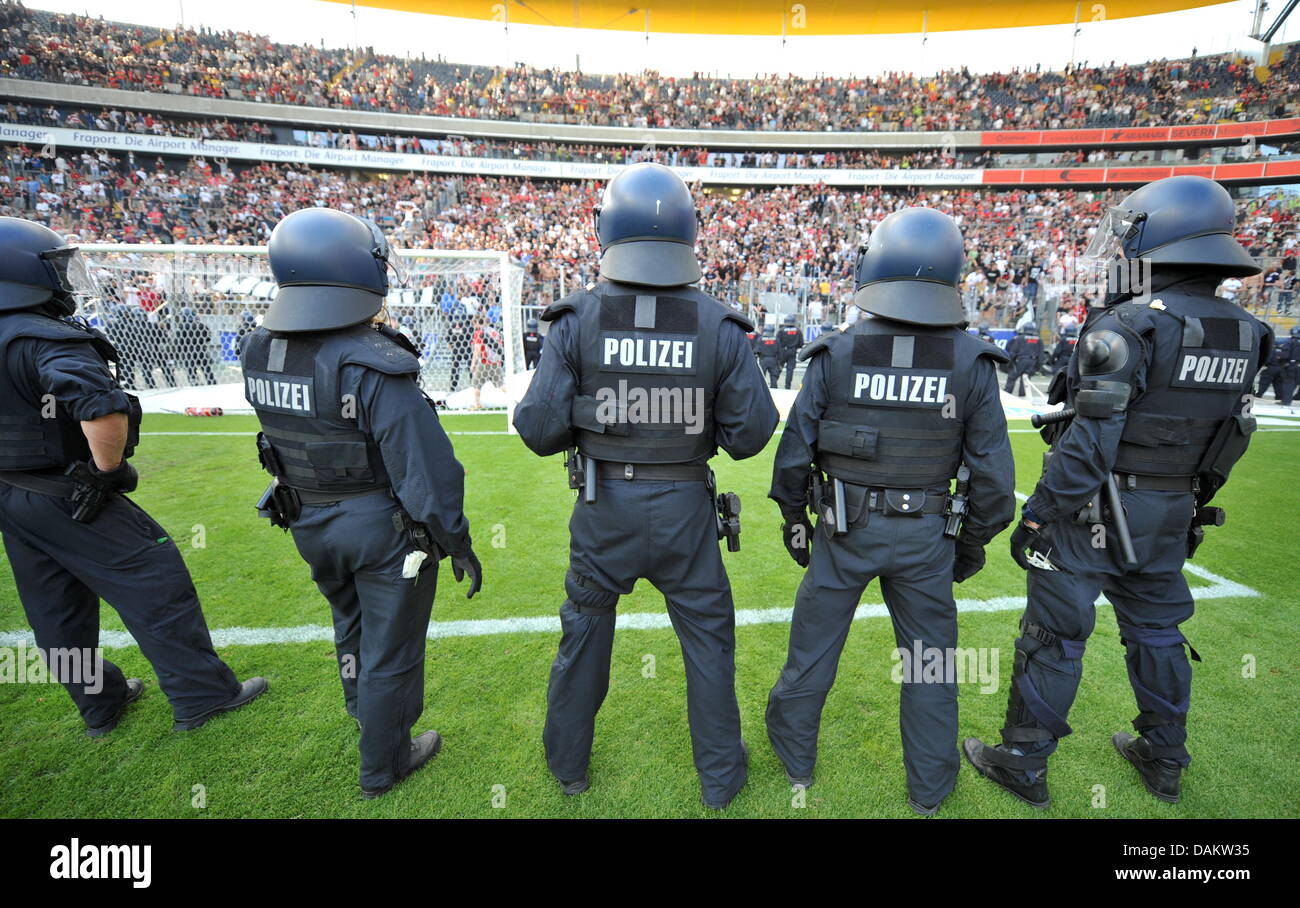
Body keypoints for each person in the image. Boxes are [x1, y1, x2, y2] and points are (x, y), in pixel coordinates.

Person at [964, 176, 1272, 807]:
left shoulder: (1129, 325)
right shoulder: (1250, 332)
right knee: (1157, 630)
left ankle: (1023, 761)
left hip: (1097, 506)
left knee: (1054, 632)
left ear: (1158, 235)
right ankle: (1164, 757)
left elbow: (1089, 444)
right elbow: (1231, 436)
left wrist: (1039, 514)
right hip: (1173, 506)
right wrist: (1189, 499)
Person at [514, 163, 778, 809]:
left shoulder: (575, 319)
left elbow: (537, 428)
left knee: (584, 634)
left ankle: (568, 765)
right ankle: (721, 780)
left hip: (605, 508)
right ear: (689, 233)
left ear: (606, 230)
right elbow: (751, 434)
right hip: (687, 510)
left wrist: (592, 412)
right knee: (709, 645)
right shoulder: (718, 324)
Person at [766, 208, 1015, 816]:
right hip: (927, 534)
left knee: (813, 652)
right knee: (930, 666)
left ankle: (796, 757)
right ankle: (929, 789)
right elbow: (995, 483)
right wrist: (969, 540)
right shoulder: (971, 362)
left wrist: (795, 518)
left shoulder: (835, 352)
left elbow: (794, 454)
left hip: (844, 528)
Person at [240, 207, 482, 799]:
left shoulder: (259, 349)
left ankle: (364, 714)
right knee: (392, 650)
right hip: (378, 527)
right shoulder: (372, 362)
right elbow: (427, 473)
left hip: (307, 520)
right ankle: (383, 764)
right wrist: (456, 541)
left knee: (350, 628)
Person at [0, 216, 266, 737]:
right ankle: (203, 695)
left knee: (55, 609)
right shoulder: (43, 336)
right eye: (54, 267)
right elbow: (100, 408)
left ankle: (101, 704)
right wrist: (108, 472)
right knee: (155, 579)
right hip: (65, 489)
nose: (64, 277)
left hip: (12, 495)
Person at [172, 306, 217, 386]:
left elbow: (178, 342)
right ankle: (212, 383)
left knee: (191, 371)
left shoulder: (182, 327)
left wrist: (176, 354)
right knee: (207, 370)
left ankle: (195, 384)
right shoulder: (201, 325)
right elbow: (208, 338)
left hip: (188, 353)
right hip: (201, 350)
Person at [1004, 321, 1043, 396]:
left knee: (1012, 378)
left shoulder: (1019, 338)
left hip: (1021, 361)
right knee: (1025, 381)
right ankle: (1022, 397)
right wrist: (1037, 367)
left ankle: (1007, 395)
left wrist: (1010, 364)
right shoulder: (1039, 339)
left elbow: (1012, 353)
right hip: (1032, 361)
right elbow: (1041, 355)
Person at [777, 312, 804, 389]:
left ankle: (774, 383)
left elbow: (777, 342)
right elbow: (801, 343)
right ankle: (787, 386)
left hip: (783, 351)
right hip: (792, 351)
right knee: (790, 370)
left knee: (779, 367)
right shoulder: (798, 330)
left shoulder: (781, 330)